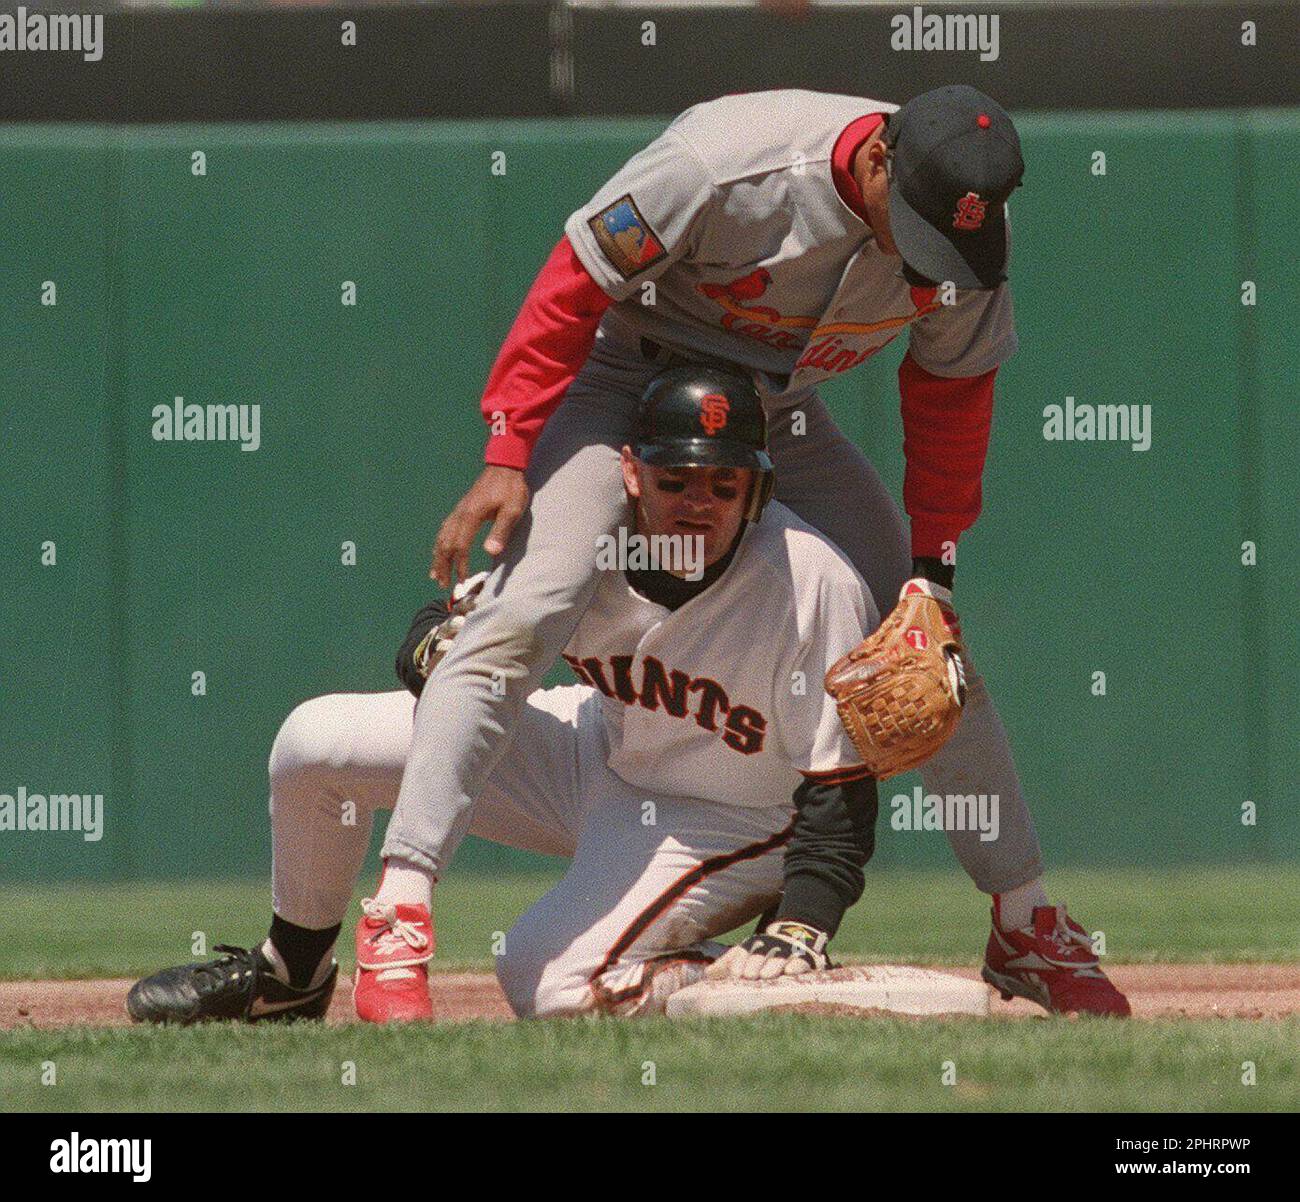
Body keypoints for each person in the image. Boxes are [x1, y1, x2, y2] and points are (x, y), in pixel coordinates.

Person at [375, 83, 1130, 1017]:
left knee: (924, 650)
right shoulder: (727, 163)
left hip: (778, 414)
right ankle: (400, 911)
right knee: (527, 608)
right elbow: (574, 281)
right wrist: (506, 447)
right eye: (920, 225)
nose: (927, 256)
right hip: (627, 382)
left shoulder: (964, 240)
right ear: (879, 160)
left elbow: (950, 399)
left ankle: (1025, 919)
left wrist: (931, 571)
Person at [126, 368, 885, 1024]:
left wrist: (800, 923)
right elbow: (438, 636)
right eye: (674, 479)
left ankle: (750, 983)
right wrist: (441, 655)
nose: (699, 502)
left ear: (759, 486)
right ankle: (291, 978)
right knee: (315, 745)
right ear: (629, 472)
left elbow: (843, 791)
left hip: (732, 822)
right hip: (597, 752)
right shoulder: (586, 538)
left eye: (725, 483)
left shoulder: (810, 582)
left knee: (548, 980)